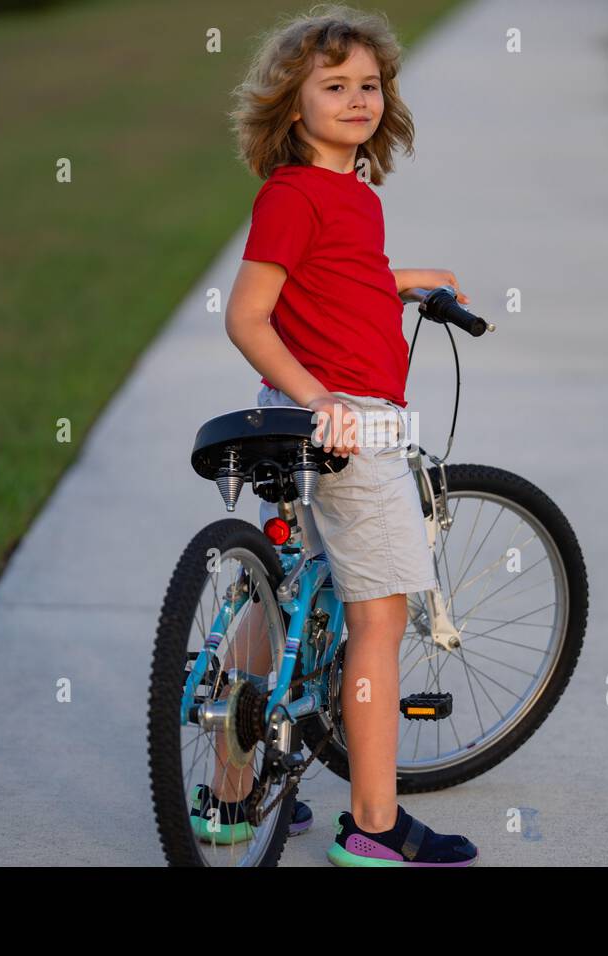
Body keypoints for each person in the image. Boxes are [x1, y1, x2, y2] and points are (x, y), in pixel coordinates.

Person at [194, 3, 479, 866]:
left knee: (277, 595)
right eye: (335, 86)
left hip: (313, 419)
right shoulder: (293, 193)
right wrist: (325, 400)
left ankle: (231, 797)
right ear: (292, 104)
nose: (359, 100)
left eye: (371, 86)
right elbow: (249, 317)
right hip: (346, 423)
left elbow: (330, 273)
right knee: (379, 619)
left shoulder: (342, 195)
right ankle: (377, 826)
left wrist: (398, 282)